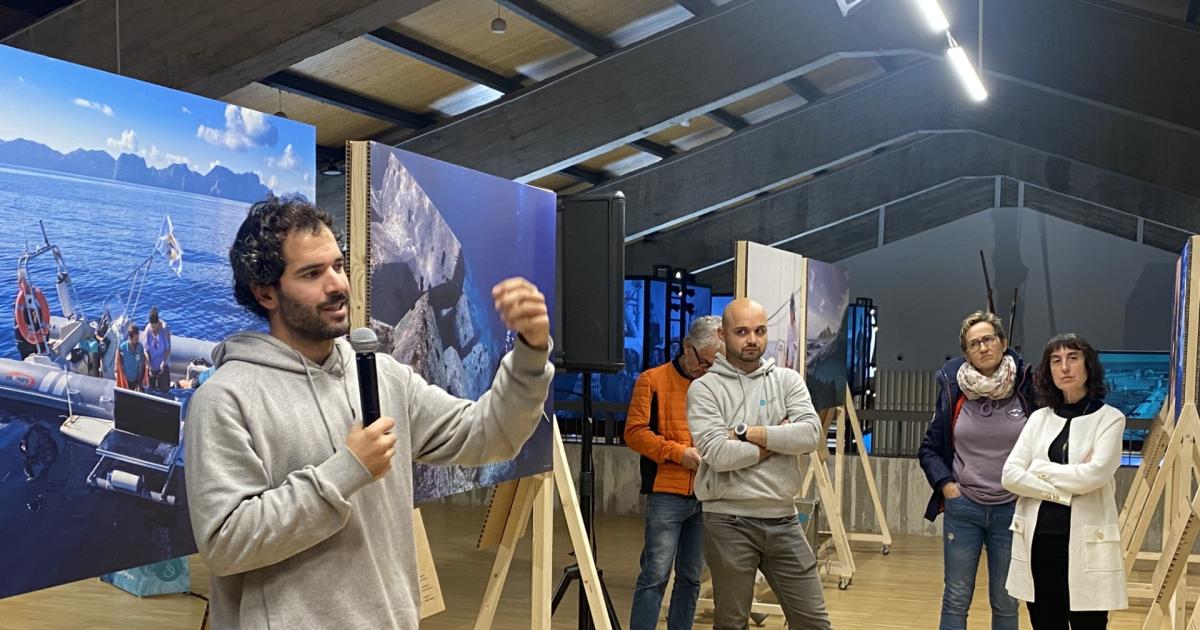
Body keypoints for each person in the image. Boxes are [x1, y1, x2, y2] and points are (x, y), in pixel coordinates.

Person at [183, 198, 554, 629]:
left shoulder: (382, 374)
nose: (337, 284)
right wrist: (346, 470)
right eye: (312, 273)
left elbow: (490, 435)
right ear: (265, 292)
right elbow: (225, 542)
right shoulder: (227, 399)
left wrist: (530, 352)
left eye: (337, 266)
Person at [687, 298, 830, 630]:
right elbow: (717, 454)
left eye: (760, 331)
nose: (752, 339)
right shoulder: (704, 389)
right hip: (728, 522)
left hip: (783, 518)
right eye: (742, 332)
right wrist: (776, 441)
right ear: (723, 335)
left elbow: (810, 434)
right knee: (732, 623)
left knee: (814, 622)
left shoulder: (787, 381)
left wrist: (748, 433)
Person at [917, 311, 1035, 630]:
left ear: (1003, 343)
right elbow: (928, 448)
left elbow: (1042, 443)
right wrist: (947, 486)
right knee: (955, 597)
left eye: (988, 339)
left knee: (1007, 600)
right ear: (966, 353)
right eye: (973, 344)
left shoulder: (1027, 388)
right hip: (964, 507)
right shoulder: (954, 388)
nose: (982, 347)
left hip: (1011, 510)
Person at [1002, 333, 1128, 628]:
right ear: (1049, 371)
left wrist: (1037, 468)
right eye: (1056, 361)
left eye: (1073, 358)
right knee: (1045, 622)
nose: (1065, 367)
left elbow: (1093, 475)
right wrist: (1062, 490)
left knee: (1089, 625)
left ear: (1088, 366)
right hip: (1040, 543)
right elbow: (1010, 475)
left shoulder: (1110, 419)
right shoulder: (1038, 419)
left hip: (1085, 545)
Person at [625, 314, 722, 630]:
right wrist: (678, 454)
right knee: (655, 575)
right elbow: (634, 433)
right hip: (666, 492)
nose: (706, 370)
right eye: (704, 361)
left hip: (706, 493)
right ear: (687, 347)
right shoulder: (652, 380)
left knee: (692, 578)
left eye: (714, 364)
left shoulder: (715, 385)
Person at [144, 306, 171, 393]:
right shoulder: (147, 330)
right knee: (151, 390)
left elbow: (168, 348)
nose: (153, 329)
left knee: (164, 390)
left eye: (155, 326)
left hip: (162, 366)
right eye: (152, 326)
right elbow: (145, 350)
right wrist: (148, 365)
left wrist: (164, 360)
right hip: (151, 367)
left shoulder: (164, 329)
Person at [116, 323, 148, 392]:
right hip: (125, 381)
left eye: (138, 338)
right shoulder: (122, 348)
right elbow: (119, 367)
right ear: (130, 338)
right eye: (135, 339)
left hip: (137, 380)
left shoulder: (140, 347)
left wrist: (138, 383)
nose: (137, 341)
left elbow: (141, 366)